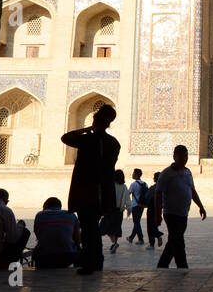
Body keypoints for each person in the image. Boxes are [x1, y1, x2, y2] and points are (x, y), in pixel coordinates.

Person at [61, 104, 120, 275]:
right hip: (103, 193)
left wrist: (88, 129)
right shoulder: (113, 143)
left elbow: (66, 137)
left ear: (96, 121)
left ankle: (89, 264)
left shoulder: (87, 140)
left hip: (86, 192)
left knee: (88, 229)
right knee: (93, 227)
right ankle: (97, 262)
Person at [155, 145, 206, 271]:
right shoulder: (166, 174)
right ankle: (182, 266)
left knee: (174, 239)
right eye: (181, 155)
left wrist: (200, 206)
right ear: (174, 156)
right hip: (171, 213)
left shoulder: (188, 172)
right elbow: (158, 193)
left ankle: (163, 265)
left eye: (186, 156)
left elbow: (192, 190)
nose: (184, 158)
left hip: (183, 213)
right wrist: (158, 214)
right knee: (178, 239)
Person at [0, 189, 30, 271]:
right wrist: (20, 225)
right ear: (7, 201)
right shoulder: (6, 210)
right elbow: (12, 238)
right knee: (25, 232)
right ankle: (4, 263)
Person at [32, 197, 81, 269]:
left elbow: (38, 236)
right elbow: (77, 239)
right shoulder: (71, 215)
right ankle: (77, 271)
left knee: (37, 253)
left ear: (45, 206)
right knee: (79, 250)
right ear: (60, 207)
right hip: (67, 256)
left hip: (44, 257)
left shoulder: (39, 215)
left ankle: (39, 273)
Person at [106, 169, 130, 253]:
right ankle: (115, 243)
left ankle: (114, 243)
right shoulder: (124, 187)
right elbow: (127, 200)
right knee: (116, 227)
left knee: (108, 227)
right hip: (119, 211)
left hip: (111, 209)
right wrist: (129, 210)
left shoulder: (111, 186)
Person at [126, 167, 149, 245]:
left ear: (136, 175)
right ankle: (132, 238)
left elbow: (128, 194)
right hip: (142, 205)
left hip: (135, 205)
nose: (132, 174)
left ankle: (139, 239)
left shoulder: (133, 184)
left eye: (133, 173)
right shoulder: (145, 184)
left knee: (136, 222)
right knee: (137, 222)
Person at [145, 170, 163, 249]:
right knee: (154, 225)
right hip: (159, 209)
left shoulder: (152, 188)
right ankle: (157, 236)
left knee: (150, 226)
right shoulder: (164, 189)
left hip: (151, 209)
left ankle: (152, 242)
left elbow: (147, 198)